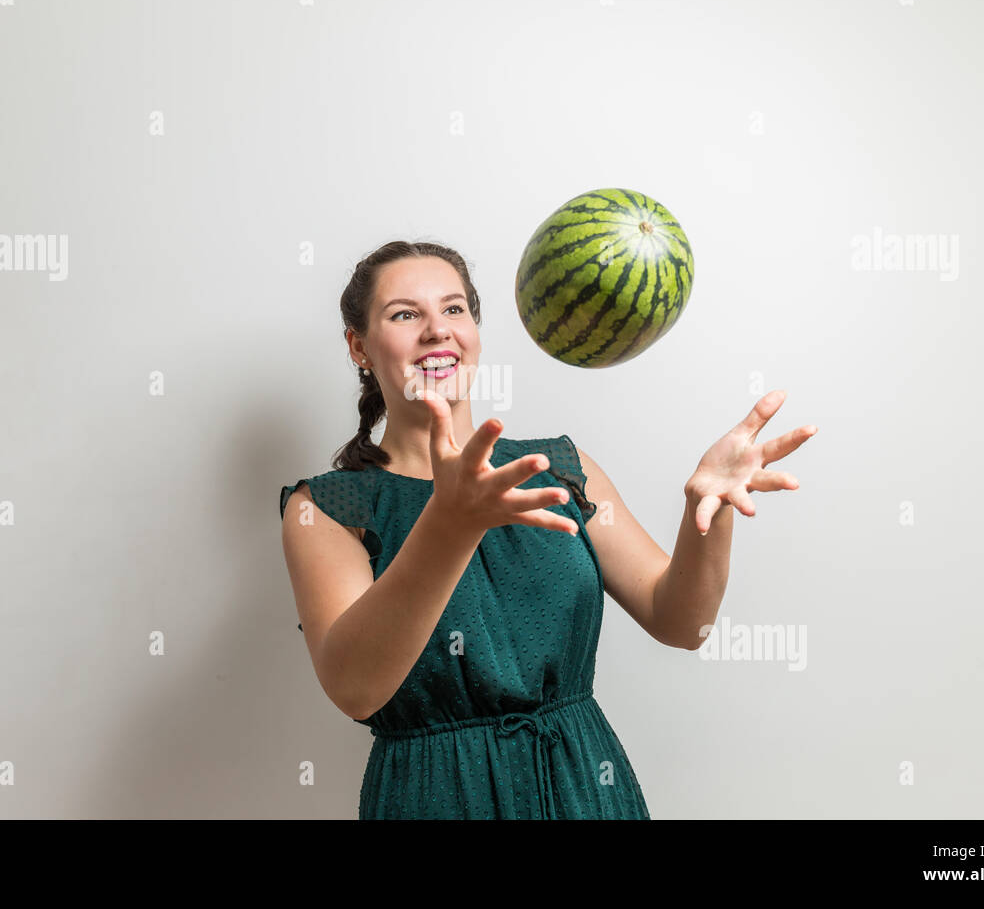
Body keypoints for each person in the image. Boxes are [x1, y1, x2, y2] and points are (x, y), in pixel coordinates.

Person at [278, 240, 816, 818]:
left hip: (585, 785)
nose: (438, 330)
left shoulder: (558, 467)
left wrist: (708, 509)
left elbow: (683, 622)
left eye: (454, 309)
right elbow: (356, 687)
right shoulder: (327, 508)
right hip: (436, 796)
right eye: (405, 314)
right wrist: (450, 525)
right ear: (359, 346)